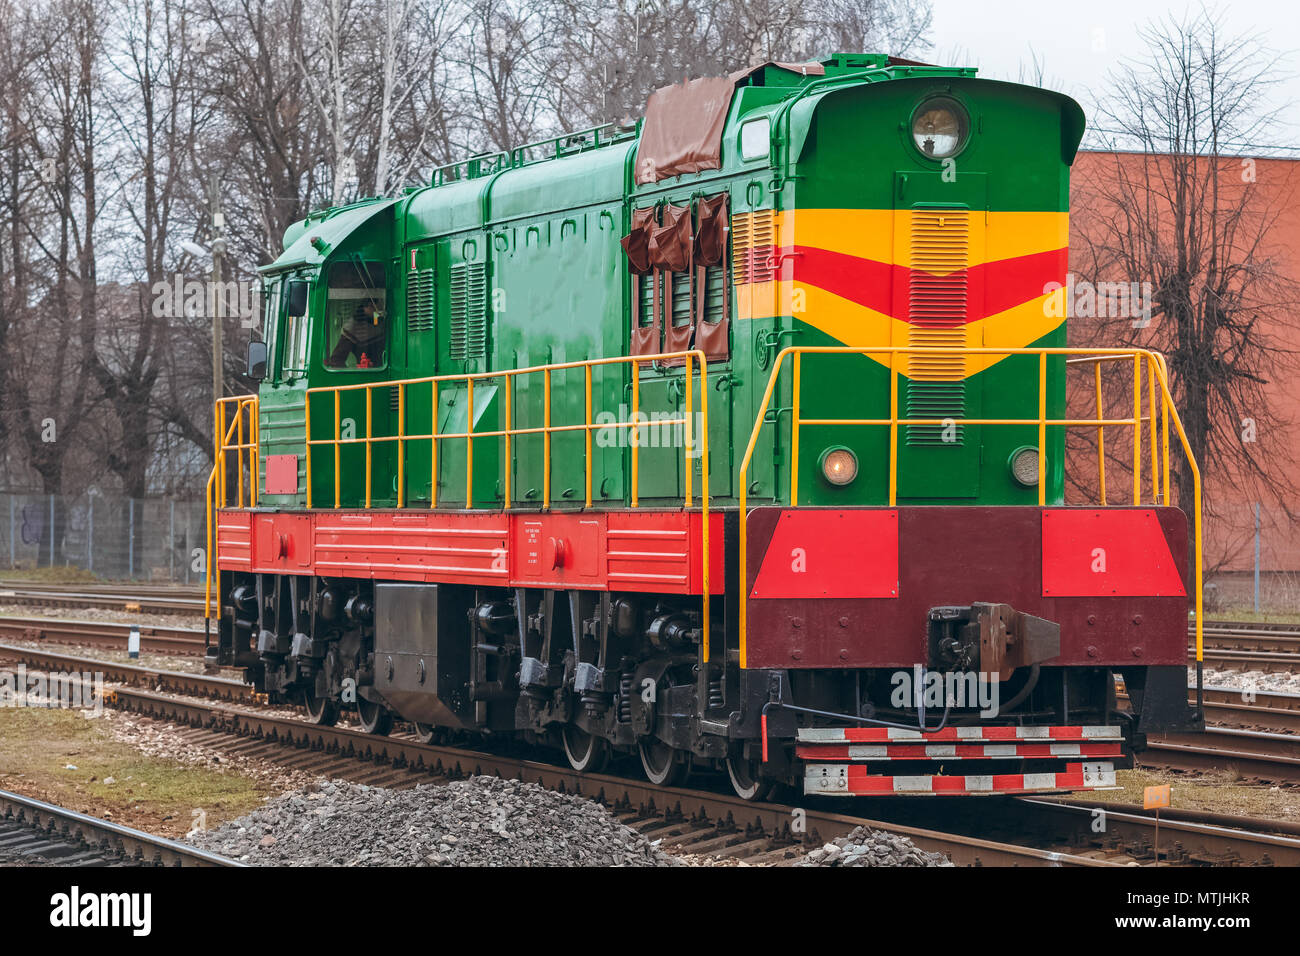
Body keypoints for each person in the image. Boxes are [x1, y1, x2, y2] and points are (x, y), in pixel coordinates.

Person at [327, 300, 385, 368]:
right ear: (370, 305)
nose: (381, 308)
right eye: (379, 304)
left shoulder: (378, 320)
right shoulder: (353, 327)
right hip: (366, 374)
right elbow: (336, 361)